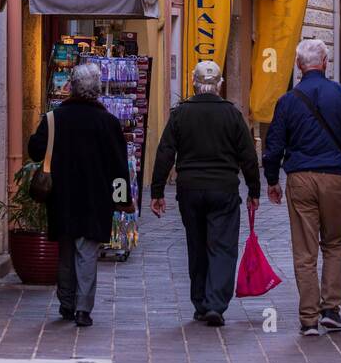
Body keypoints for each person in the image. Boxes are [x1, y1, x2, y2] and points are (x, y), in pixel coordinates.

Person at [263, 38, 341, 337]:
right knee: (334, 244)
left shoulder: (287, 101)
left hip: (300, 178)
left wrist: (272, 180)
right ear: (325, 63)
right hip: (335, 177)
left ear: (299, 66)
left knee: (304, 251)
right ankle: (331, 310)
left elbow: (273, 147)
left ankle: (309, 318)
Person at [149, 60, 261, 327]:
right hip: (224, 189)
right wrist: (254, 191)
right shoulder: (232, 115)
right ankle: (215, 304)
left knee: (196, 244)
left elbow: (165, 152)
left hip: (190, 189)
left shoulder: (180, 114)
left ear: (193, 83)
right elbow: (248, 156)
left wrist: (157, 191)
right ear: (220, 85)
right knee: (222, 246)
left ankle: (200, 301)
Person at [28, 61, 131, 328]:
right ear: (97, 90)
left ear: (72, 87)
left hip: (61, 197)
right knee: (86, 251)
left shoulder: (53, 119)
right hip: (95, 199)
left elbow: (34, 151)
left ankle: (66, 303)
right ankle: (83, 309)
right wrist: (122, 200)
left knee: (65, 249)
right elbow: (119, 165)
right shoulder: (107, 122)